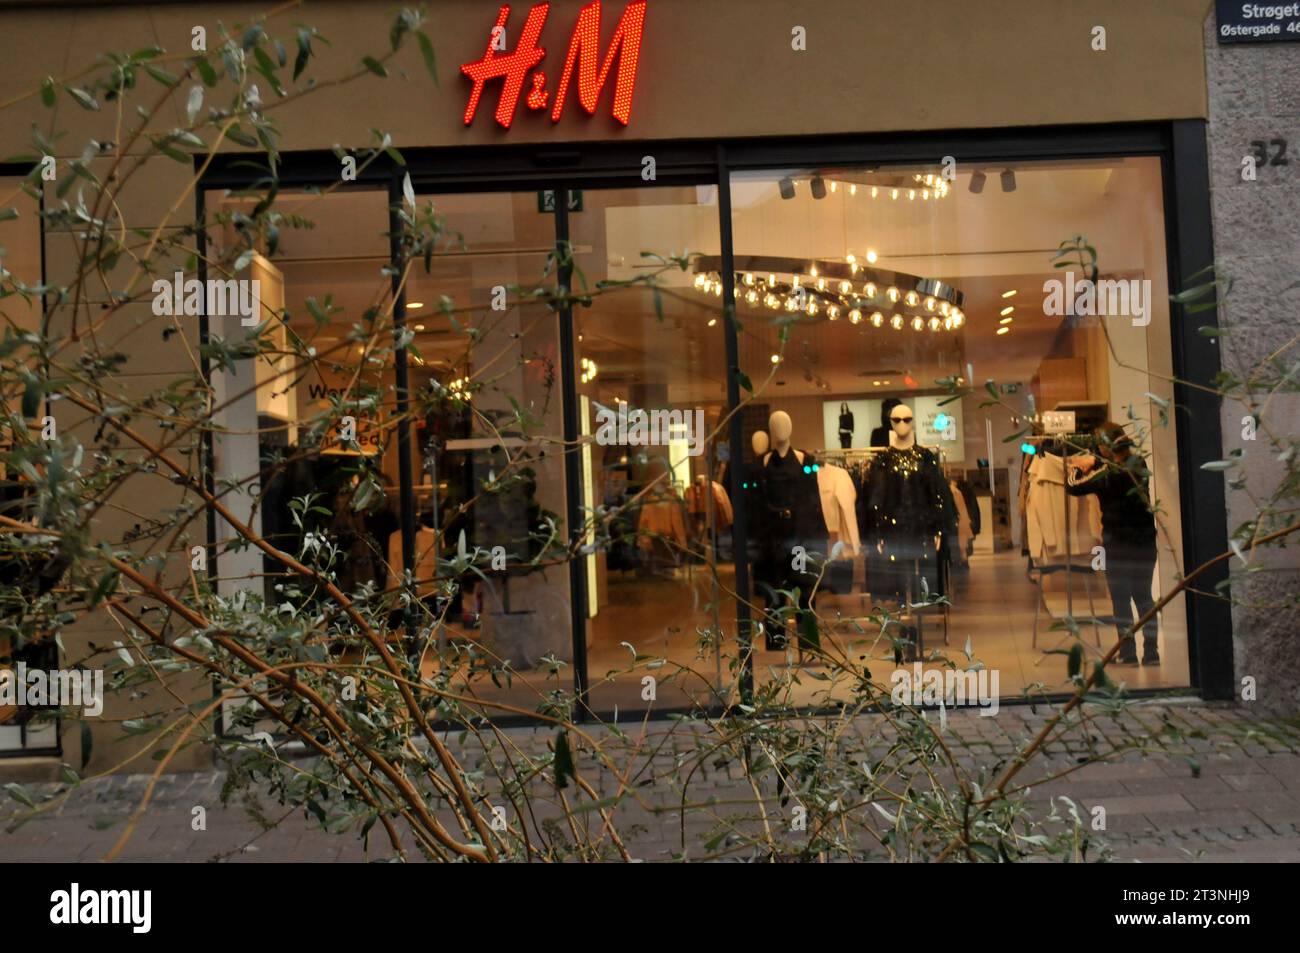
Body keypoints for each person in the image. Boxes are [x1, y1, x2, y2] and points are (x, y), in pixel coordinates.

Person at [1066, 423, 1159, 665]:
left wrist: (1078, 467)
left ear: (1106, 447)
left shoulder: (1105, 474)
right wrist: (1097, 463)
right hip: (1145, 541)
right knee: (1144, 598)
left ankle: (1127, 653)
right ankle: (1151, 653)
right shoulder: (1139, 465)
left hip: (1117, 544)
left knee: (1120, 600)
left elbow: (1073, 487)